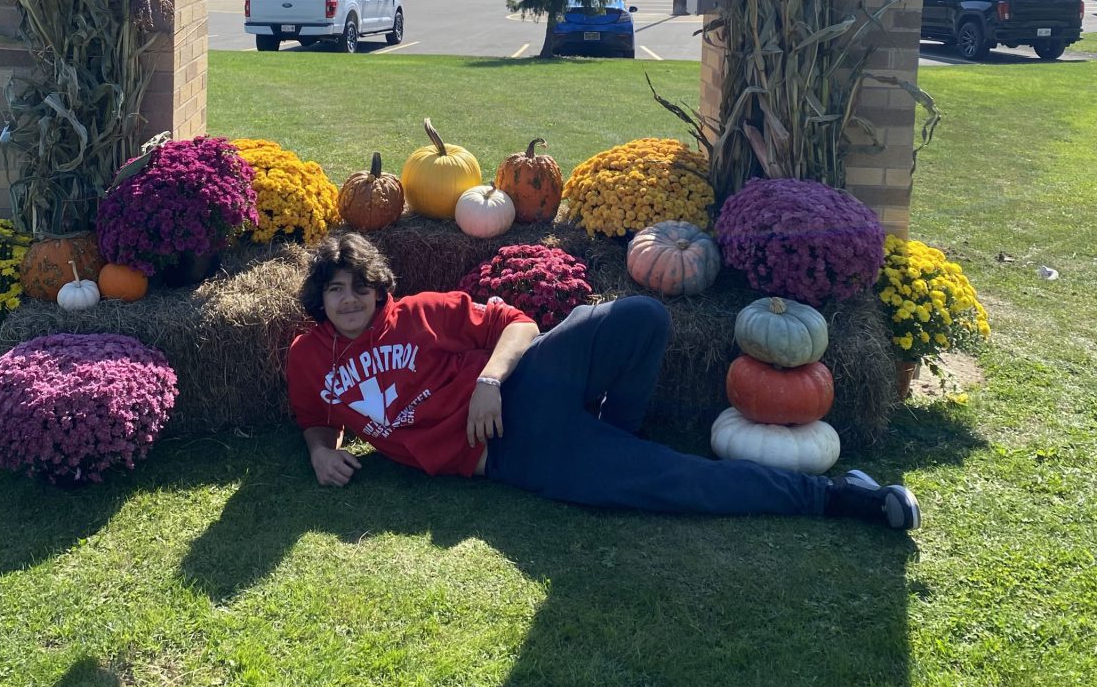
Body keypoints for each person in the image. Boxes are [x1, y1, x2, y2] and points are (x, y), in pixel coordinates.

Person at [286, 231, 920, 529]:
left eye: (360, 288)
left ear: (379, 290)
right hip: (513, 457)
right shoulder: (308, 357)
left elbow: (519, 324)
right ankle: (840, 496)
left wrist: (488, 381)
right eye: (336, 290)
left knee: (640, 314)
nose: (349, 300)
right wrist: (321, 451)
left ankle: (615, 431)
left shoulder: (421, 312)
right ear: (321, 298)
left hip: (523, 388)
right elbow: (315, 413)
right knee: (677, 484)